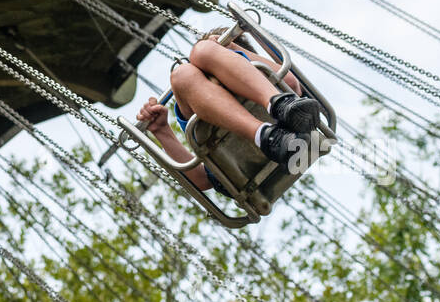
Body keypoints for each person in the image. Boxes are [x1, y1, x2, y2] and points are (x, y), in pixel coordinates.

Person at [135, 27, 324, 192]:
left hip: (283, 127)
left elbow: (290, 83)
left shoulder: (274, 86)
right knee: (181, 74)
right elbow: (201, 179)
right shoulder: (197, 105)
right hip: (235, 166)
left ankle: (277, 107)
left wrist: (232, 48)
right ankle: (268, 134)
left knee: (201, 52)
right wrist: (161, 130)